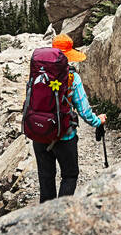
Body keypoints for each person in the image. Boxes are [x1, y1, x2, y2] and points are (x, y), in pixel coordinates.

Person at [32, 34, 106, 202]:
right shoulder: (72, 77)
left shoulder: (38, 73)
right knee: (70, 175)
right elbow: (84, 111)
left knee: (46, 178)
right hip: (64, 135)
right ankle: (60, 215)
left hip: (39, 132)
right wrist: (98, 121)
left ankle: (45, 218)